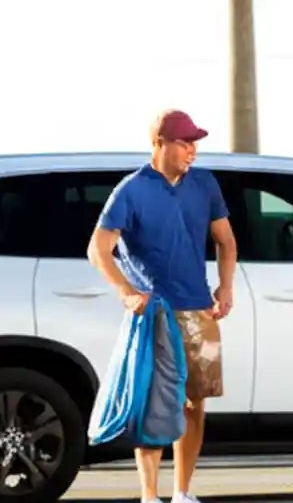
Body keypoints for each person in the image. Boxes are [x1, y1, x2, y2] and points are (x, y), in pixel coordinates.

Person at [87, 109, 238, 503]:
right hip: (156, 315)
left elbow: (225, 239)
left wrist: (226, 286)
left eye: (195, 143)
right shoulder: (132, 190)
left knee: (196, 403)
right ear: (160, 144)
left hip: (200, 314)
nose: (193, 151)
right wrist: (125, 291)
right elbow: (98, 248)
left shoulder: (204, 184)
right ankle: (149, 497)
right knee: (156, 406)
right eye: (184, 143)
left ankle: (182, 493)